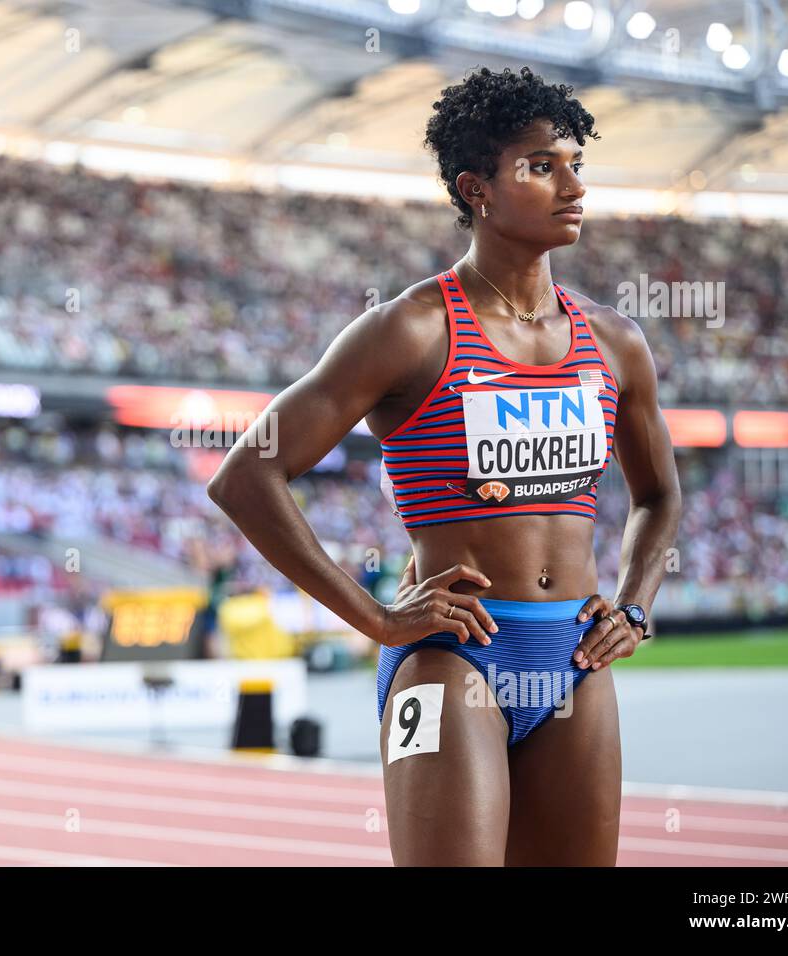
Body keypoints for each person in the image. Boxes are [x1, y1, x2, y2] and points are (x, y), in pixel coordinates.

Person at [207, 65, 681, 865]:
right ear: (478, 189)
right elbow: (245, 475)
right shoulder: (411, 330)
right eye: (541, 166)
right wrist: (376, 620)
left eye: (576, 164)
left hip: (572, 657)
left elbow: (660, 495)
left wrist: (633, 605)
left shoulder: (615, 341)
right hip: (452, 658)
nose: (573, 186)